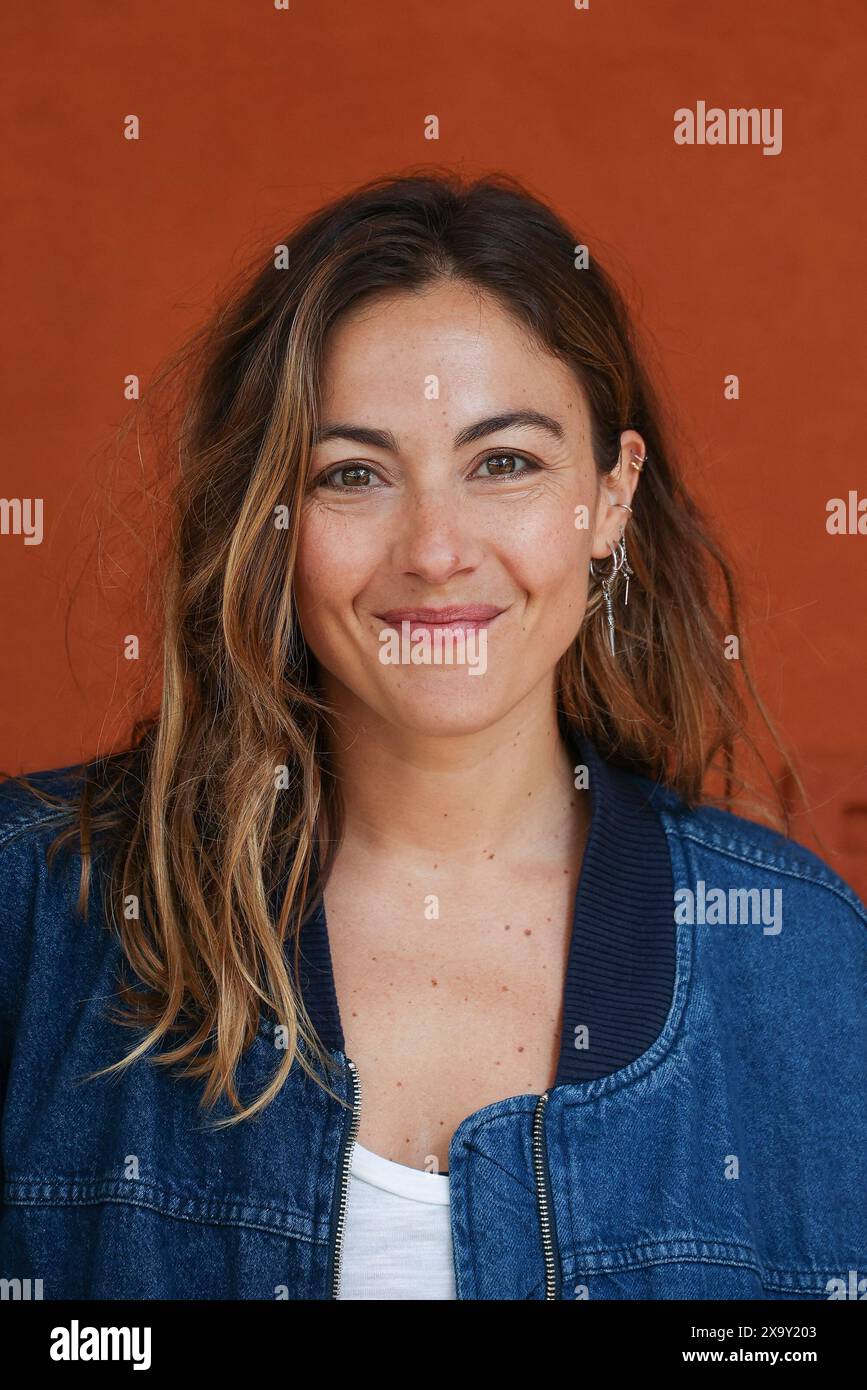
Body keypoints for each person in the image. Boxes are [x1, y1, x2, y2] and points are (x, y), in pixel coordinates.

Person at [1, 171, 864, 1301]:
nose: (437, 549)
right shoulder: (36, 909)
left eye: (504, 461)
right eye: (353, 474)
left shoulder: (807, 964)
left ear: (609, 497)